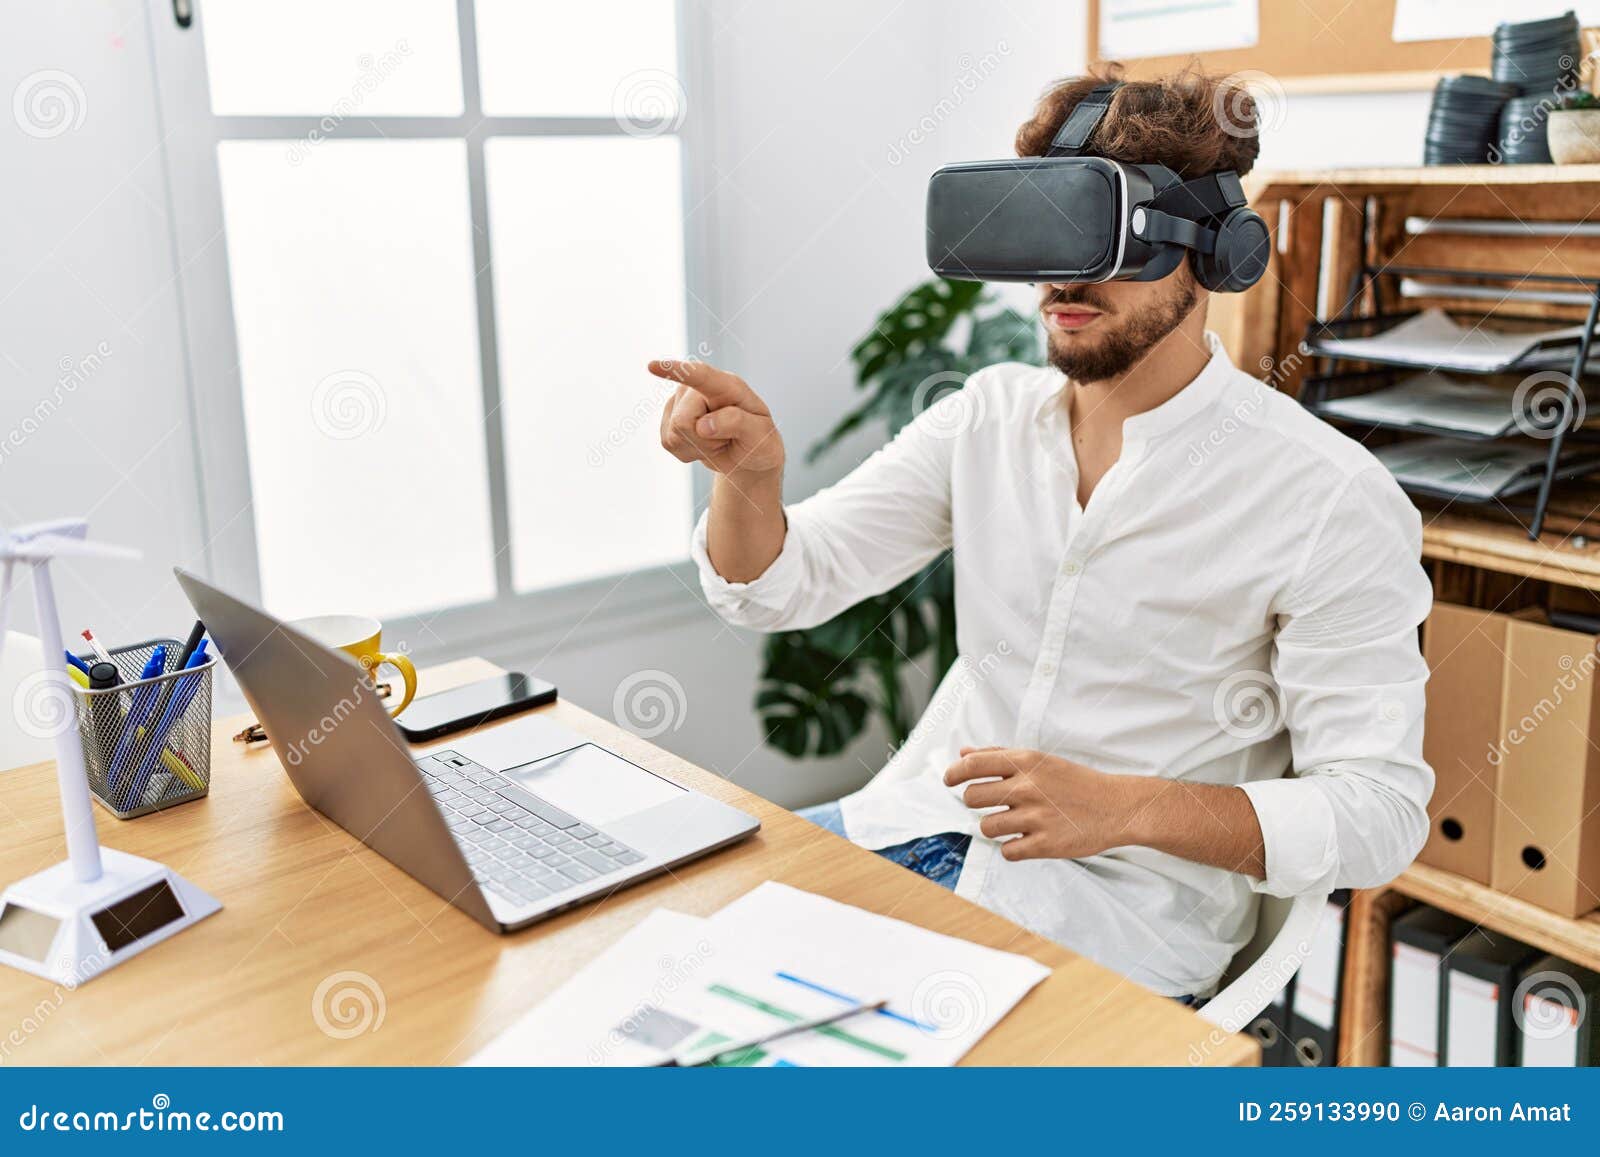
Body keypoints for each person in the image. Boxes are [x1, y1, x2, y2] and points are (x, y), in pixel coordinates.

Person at [650, 70, 1433, 999]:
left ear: (1217, 251)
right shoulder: (983, 418)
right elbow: (781, 585)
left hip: (1112, 933)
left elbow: (1380, 813)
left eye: (1100, 234)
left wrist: (1124, 807)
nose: (1063, 275)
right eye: (1042, 225)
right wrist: (751, 482)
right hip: (909, 835)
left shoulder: (1328, 498)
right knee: (647, 973)